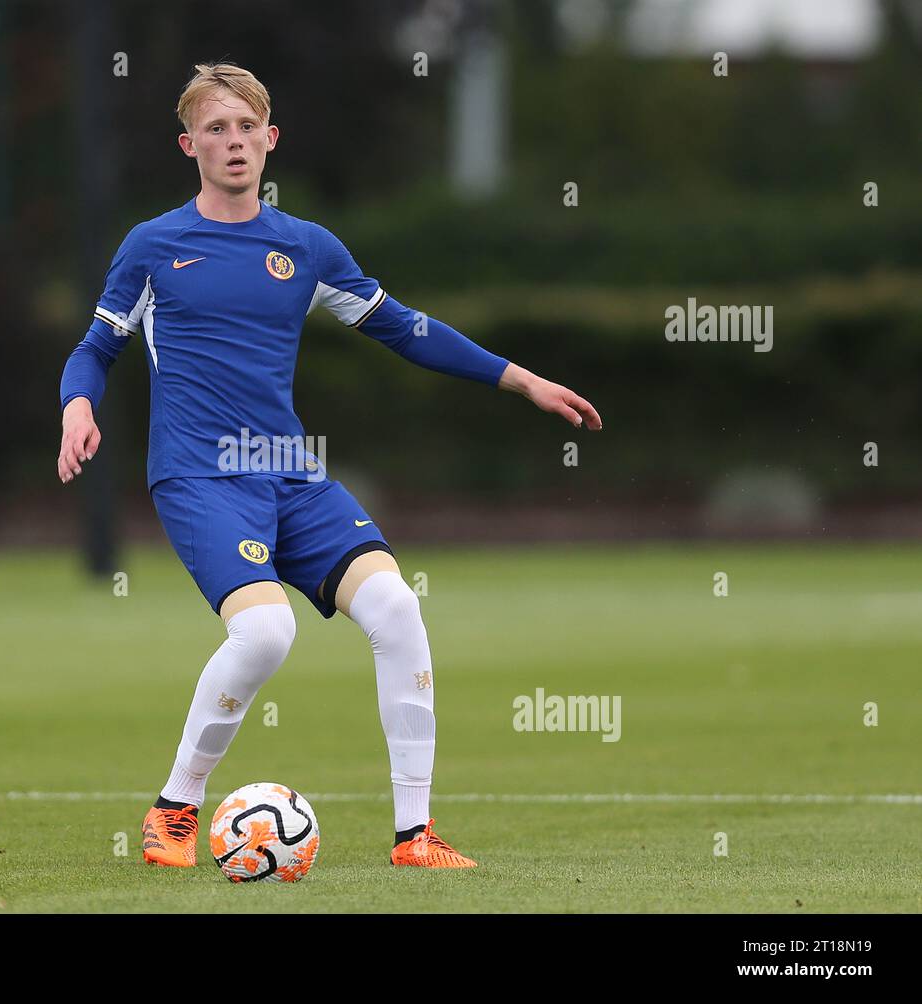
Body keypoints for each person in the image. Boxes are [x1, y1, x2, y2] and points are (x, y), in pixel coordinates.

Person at [58, 62, 602, 870]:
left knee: (395, 608)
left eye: (246, 127)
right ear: (190, 145)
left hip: (291, 472)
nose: (233, 142)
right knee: (268, 630)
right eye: (216, 129)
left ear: (270, 140)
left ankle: (414, 836)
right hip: (201, 476)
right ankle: (175, 808)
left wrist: (519, 378)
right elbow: (96, 347)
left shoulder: (305, 248)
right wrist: (77, 405)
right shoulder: (154, 246)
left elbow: (406, 329)